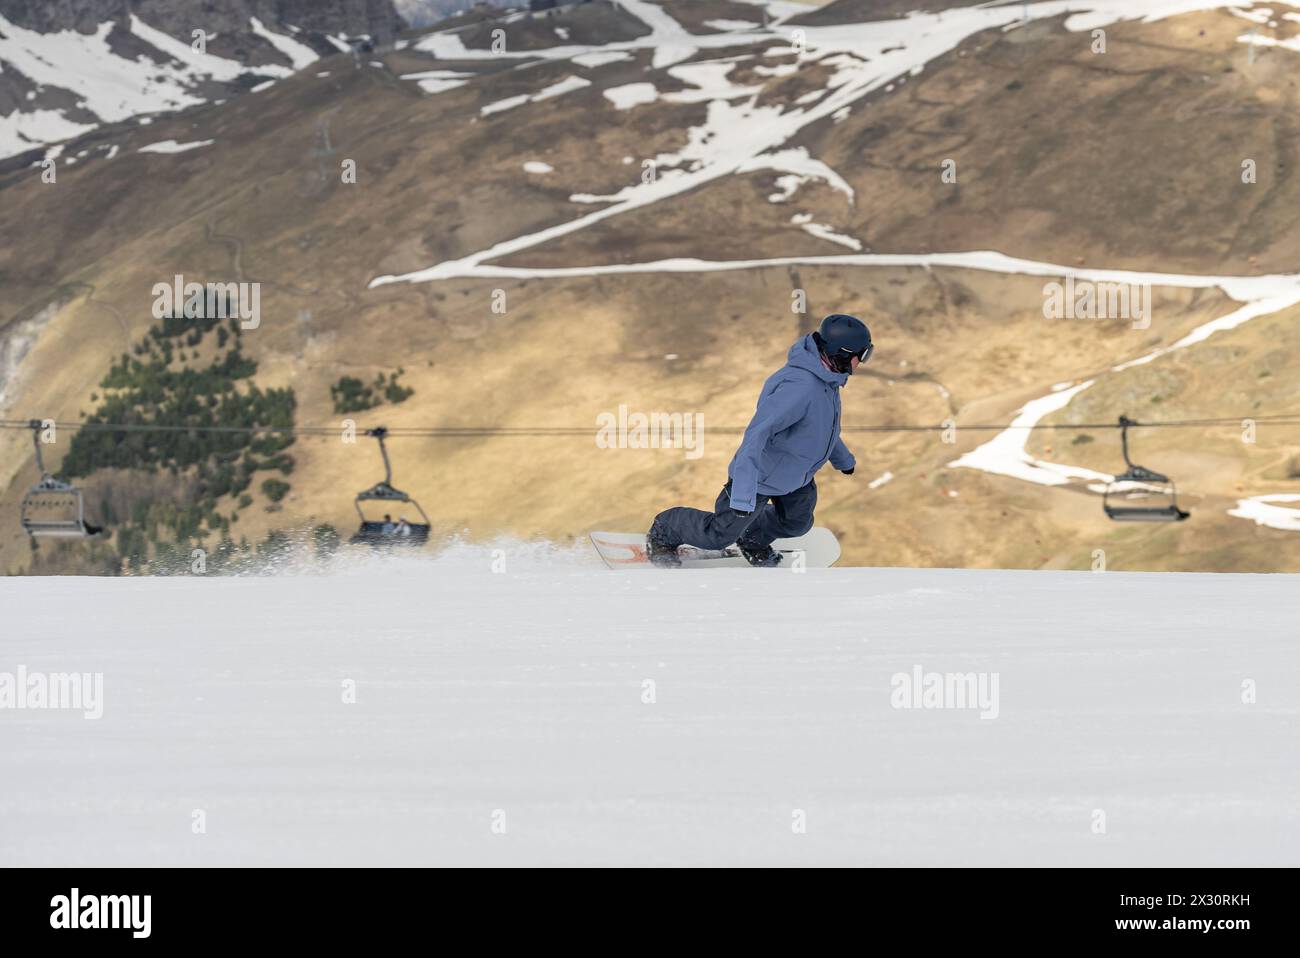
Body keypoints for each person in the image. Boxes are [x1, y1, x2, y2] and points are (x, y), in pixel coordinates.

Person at [646, 314, 872, 567]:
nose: (863, 361)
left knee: (797, 523)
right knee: (718, 535)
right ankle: (666, 529)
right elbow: (757, 435)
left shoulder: (827, 382)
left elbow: (821, 428)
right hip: (759, 478)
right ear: (841, 354)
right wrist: (743, 493)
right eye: (863, 355)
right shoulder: (800, 388)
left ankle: (752, 538)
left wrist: (843, 460)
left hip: (796, 476)